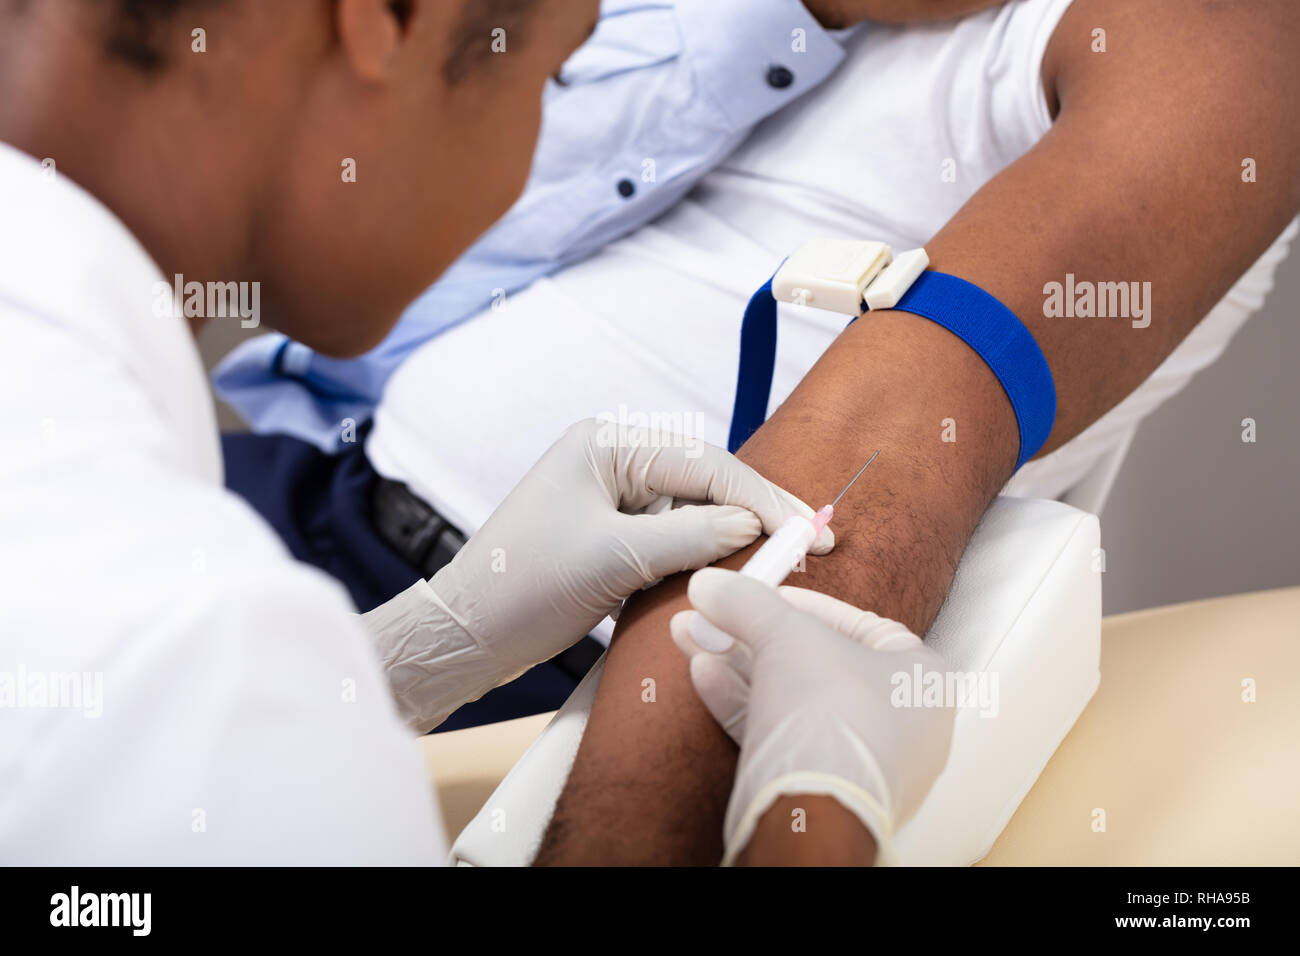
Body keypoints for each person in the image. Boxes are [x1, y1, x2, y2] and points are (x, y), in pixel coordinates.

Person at [204, 0, 1299, 864]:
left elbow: (877, 451)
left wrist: (792, 797)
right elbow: (417, 233)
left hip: (538, 671)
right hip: (290, 489)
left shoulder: (1225, 43)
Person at [0, 0, 950, 866]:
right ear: (388, 20)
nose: (517, 175)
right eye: (557, 76)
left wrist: (416, 650)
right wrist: (823, 808)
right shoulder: (195, 654)